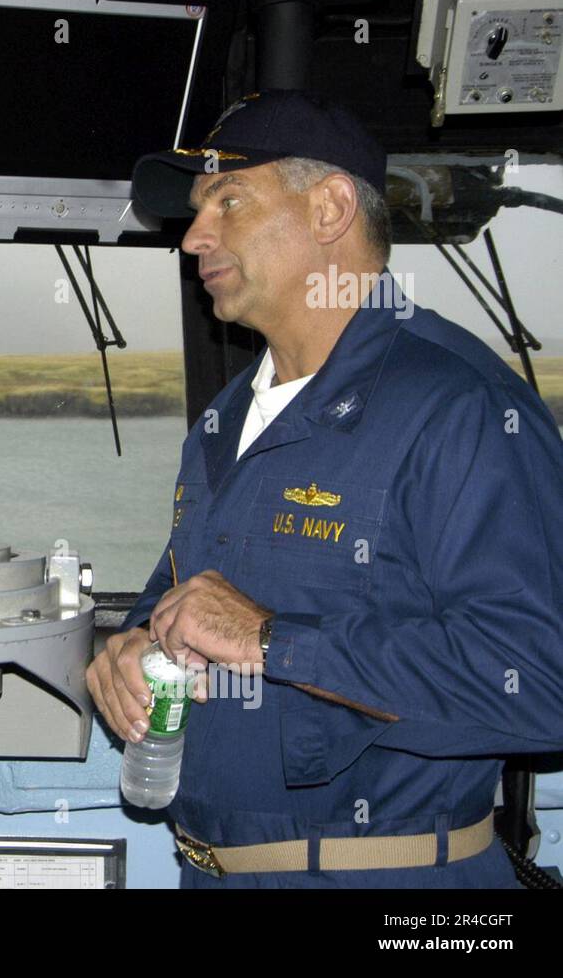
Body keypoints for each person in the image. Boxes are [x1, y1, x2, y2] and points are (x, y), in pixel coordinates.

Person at [88, 90, 563, 887]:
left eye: (228, 201)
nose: (194, 237)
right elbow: (184, 594)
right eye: (198, 210)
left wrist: (274, 641)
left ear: (332, 206)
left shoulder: (456, 407)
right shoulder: (230, 415)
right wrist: (131, 646)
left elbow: (543, 685)